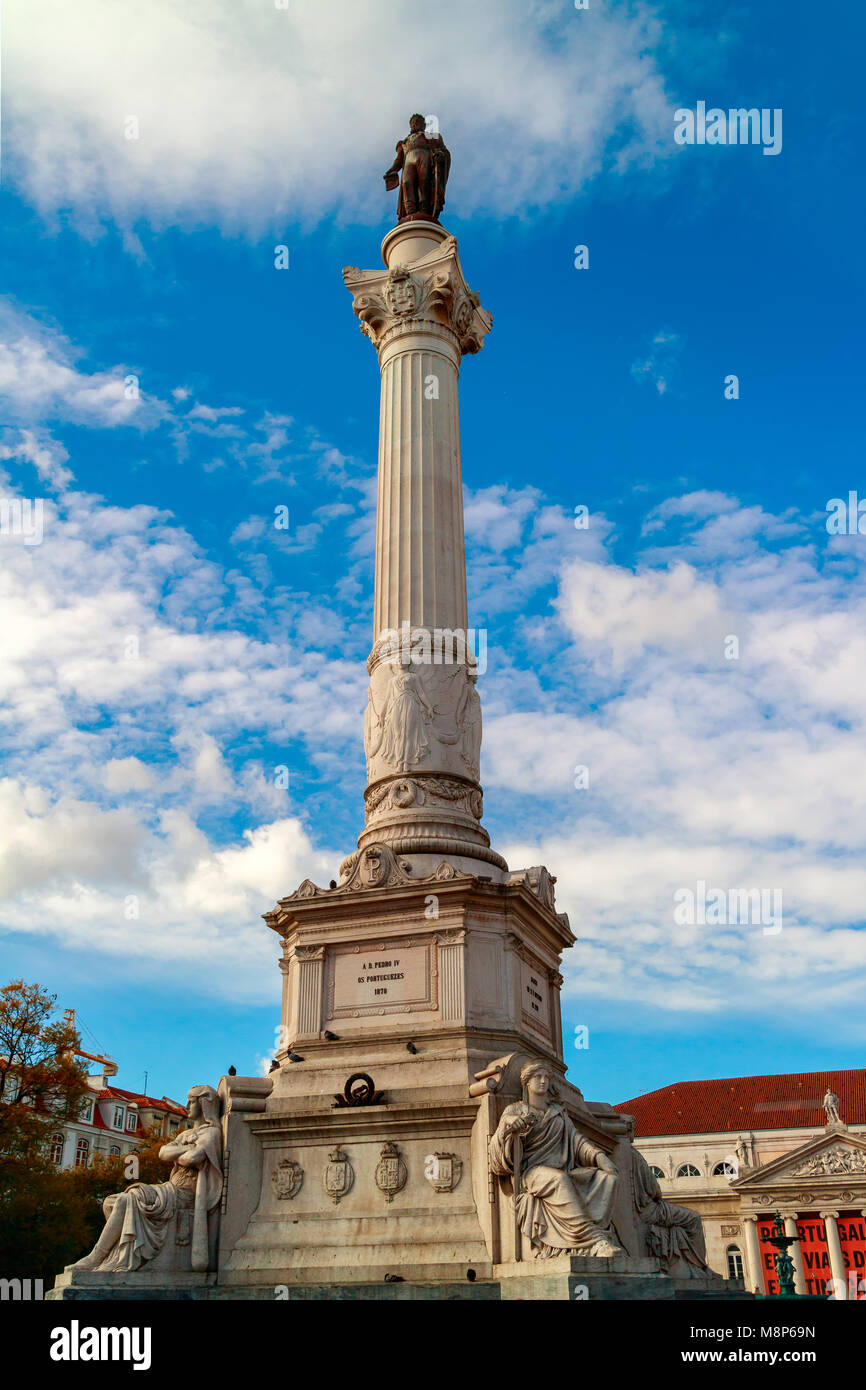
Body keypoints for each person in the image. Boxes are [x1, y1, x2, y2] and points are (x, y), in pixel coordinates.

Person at [73, 1084, 222, 1273]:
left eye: (191, 1102)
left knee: (130, 1198)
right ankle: (107, 1256)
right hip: (170, 1188)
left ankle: (95, 1258)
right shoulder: (186, 1135)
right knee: (112, 1201)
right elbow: (163, 1152)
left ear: (203, 1105)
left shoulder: (211, 1133)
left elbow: (192, 1158)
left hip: (185, 1194)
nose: (186, 1105)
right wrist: (186, 1147)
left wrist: (183, 1152)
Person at [489, 1059, 622, 1259]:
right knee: (557, 1179)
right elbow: (499, 1154)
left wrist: (599, 1157)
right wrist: (510, 1128)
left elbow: (577, 1141)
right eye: (537, 1077)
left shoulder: (558, 1114)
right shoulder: (515, 1111)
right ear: (527, 1082)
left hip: (561, 1170)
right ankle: (595, 1240)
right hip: (530, 1173)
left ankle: (582, 1238)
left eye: (546, 1077)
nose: (543, 1081)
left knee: (608, 1178)